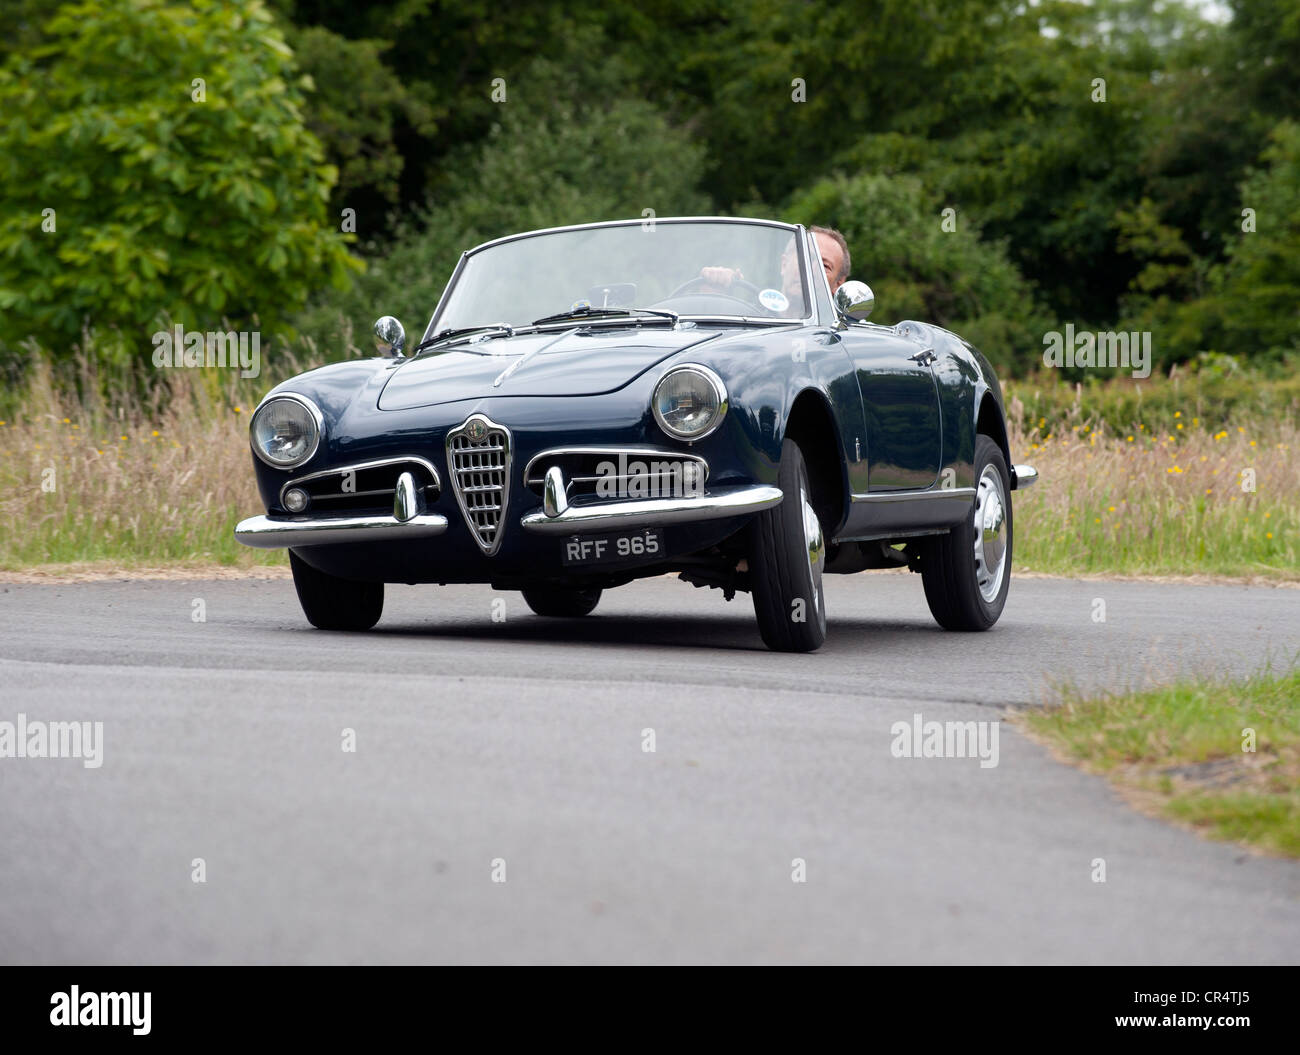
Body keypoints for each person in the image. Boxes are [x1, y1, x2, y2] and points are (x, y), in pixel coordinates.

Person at [698, 226, 851, 313]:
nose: (809, 270)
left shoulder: (843, 338)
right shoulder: (748, 318)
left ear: (838, 283)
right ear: (784, 264)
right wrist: (714, 298)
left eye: (824, 266)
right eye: (803, 258)